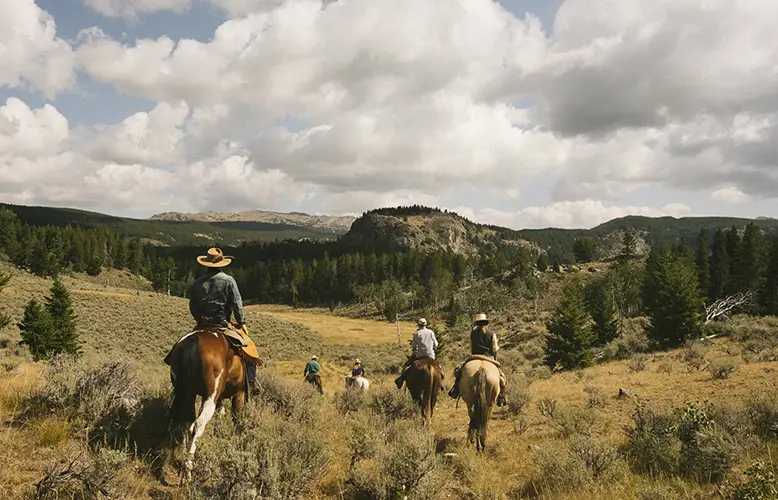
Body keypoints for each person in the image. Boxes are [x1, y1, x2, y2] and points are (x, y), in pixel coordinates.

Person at [189, 247, 260, 390]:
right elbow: (237, 304)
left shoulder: (198, 282)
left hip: (202, 324)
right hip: (222, 324)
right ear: (221, 264)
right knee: (249, 346)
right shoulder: (228, 281)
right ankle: (250, 383)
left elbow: (193, 305)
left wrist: (200, 320)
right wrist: (241, 322)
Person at [447, 313, 506, 406]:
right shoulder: (491, 334)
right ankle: (501, 396)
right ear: (485, 323)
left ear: (477, 323)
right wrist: (495, 360)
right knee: (502, 377)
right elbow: (495, 349)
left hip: (475, 356)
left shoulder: (473, 333)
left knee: (459, 370)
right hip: (489, 357)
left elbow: (471, 347)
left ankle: (456, 389)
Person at [395, 318, 438, 389]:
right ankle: (440, 384)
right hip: (431, 356)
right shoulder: (431, 332)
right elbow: (436, 344)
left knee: (407, 366)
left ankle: (401, 380)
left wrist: (415, 350)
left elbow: (414, 346)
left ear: (419, 325)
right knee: (439, 368)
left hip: (420, 355)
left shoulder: (417, 334)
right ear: (426, 324)